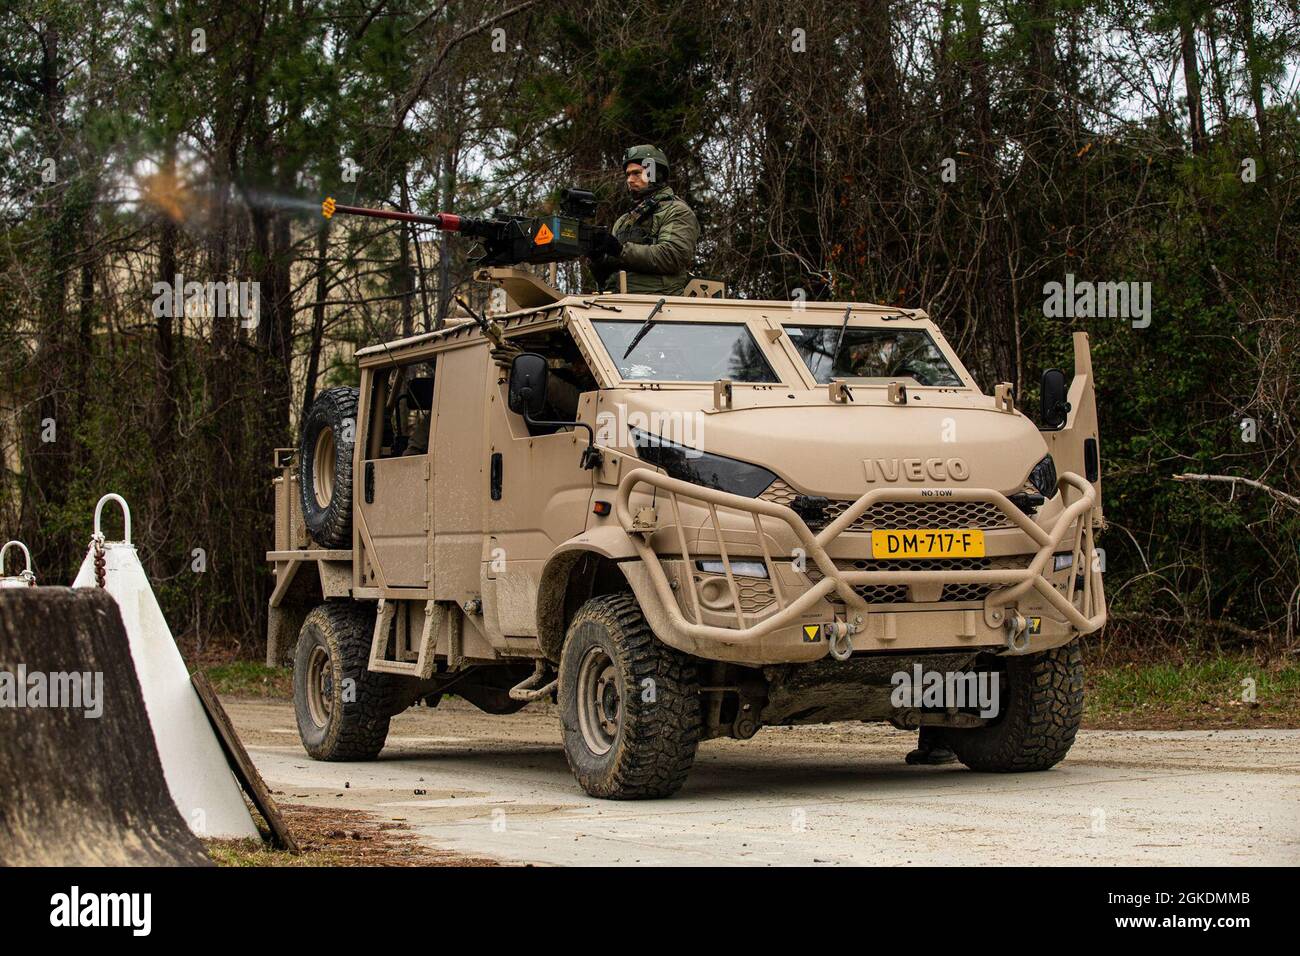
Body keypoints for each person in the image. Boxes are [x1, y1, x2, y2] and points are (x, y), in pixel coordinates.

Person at [588, 145, 700, 295]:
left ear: (656, 174)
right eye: (628, 175)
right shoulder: (624, 221)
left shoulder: (677, 211)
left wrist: (620, 250)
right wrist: (598, 258)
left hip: (659, 304)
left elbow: (672, 256)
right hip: (617, 301)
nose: (630, 180)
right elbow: (610, 272)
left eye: (637, 173)